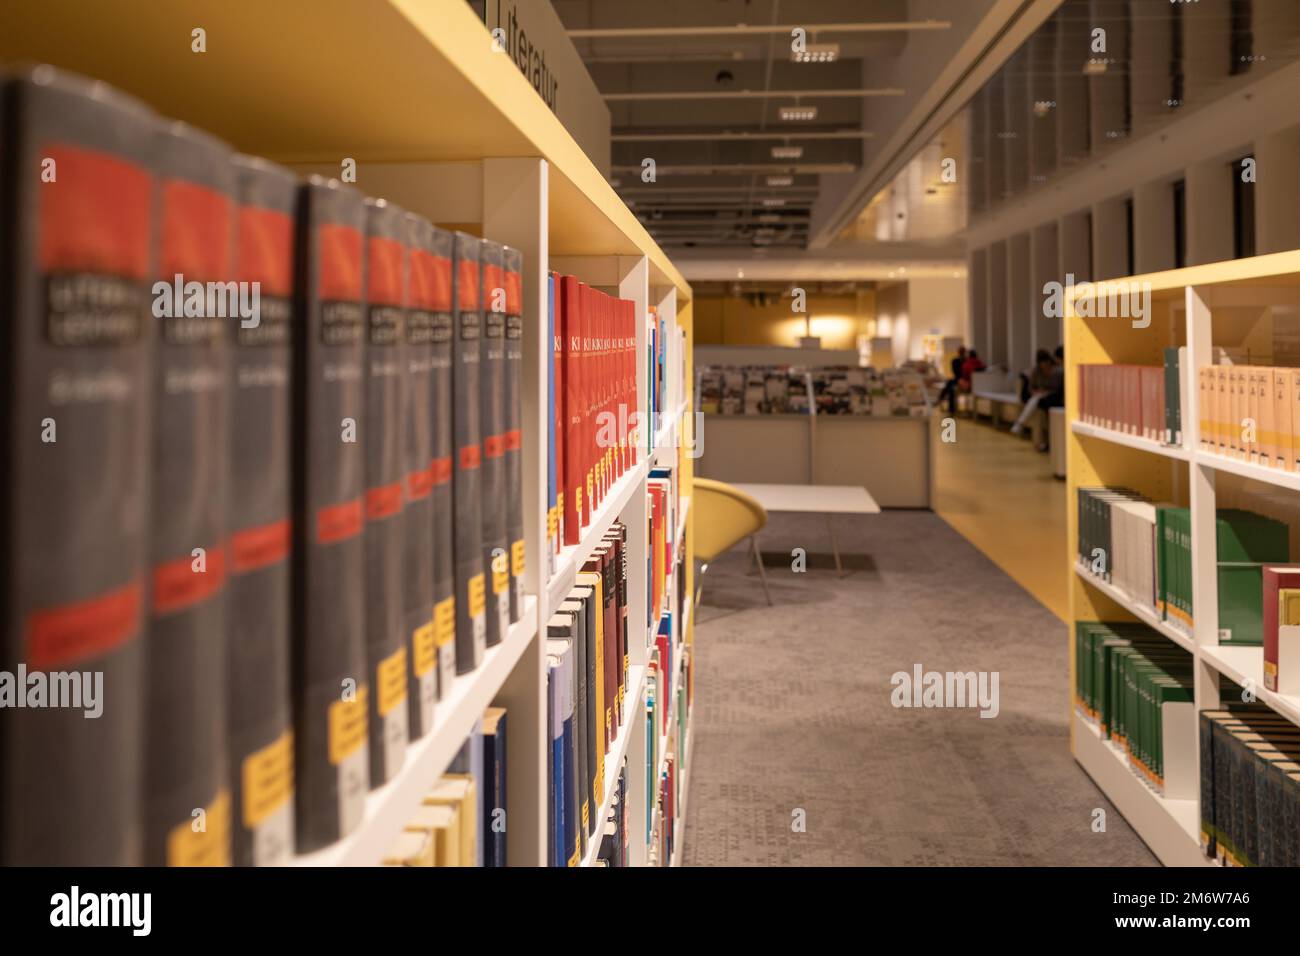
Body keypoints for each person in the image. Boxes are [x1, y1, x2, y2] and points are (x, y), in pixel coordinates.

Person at [1010, 350, 1059, 438]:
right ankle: (1020, 424)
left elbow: (1058, 388)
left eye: (1046, 362)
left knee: (1034, 401)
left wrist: (1047, 391)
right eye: (1042, 363)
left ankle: (1020, 423)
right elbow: (1031, 387)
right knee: (1035, 399)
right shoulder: (1036, 371)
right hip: (1039, 395)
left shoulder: (1056, 371)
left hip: (1052, 394)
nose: (1044, 365)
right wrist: (1036, 391)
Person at [937, 345, 968, 415]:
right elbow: (956, 373)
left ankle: (941, 398)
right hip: (958, 379)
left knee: (950, 385)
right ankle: (948, 405)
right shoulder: (956, 361)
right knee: (950, 385)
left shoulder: (966, 361)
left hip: (963, 380)